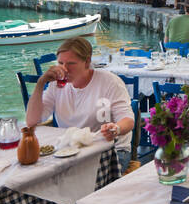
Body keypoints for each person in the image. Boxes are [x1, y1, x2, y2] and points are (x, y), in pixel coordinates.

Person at [24, 37, 135, 175]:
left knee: (73, 180)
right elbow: (32, 121)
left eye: (71, 64)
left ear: (87, 62)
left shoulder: (110, 82)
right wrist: (41, 82)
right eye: (60, 63)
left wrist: (116, 129)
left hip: (111, 151)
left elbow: (128, 120)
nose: (64, 69)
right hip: (71, 150)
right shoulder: (56, 85)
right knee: (38, 176)